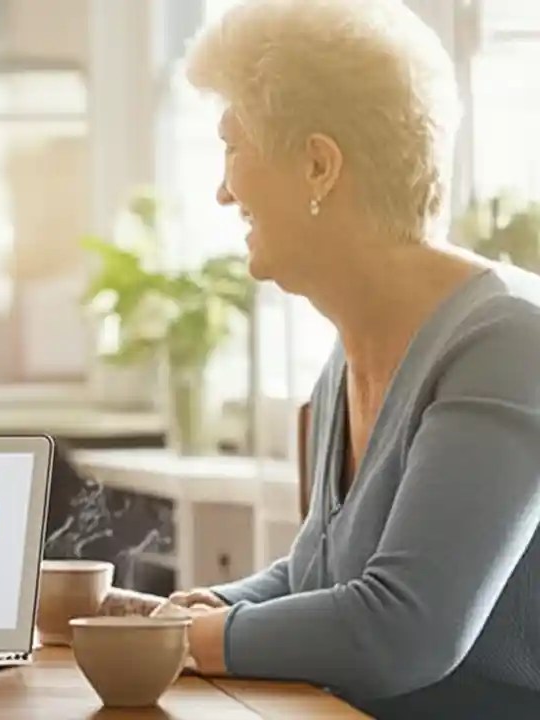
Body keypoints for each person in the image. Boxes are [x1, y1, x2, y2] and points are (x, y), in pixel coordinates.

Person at [157, 0, 540, 717]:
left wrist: (193, 640)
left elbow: (403, 629)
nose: (220, 188)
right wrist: (199, 608)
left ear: (318, 165)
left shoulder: (512, 342)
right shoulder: (352, 347)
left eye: (232, 146)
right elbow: (320, 574)